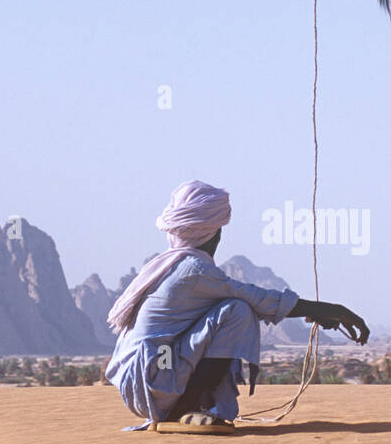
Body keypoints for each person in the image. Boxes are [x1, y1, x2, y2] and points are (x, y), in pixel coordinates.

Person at [104, 180, 369, 431]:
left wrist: (315, 311)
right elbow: (255, 297)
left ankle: (189, 405)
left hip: (142, 380)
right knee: (237, 311)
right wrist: (328, 309)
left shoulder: (168, 265)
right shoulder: (194, 270)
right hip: (154, 379)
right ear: (214, 233)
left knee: (230, 308)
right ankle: (185, 409)